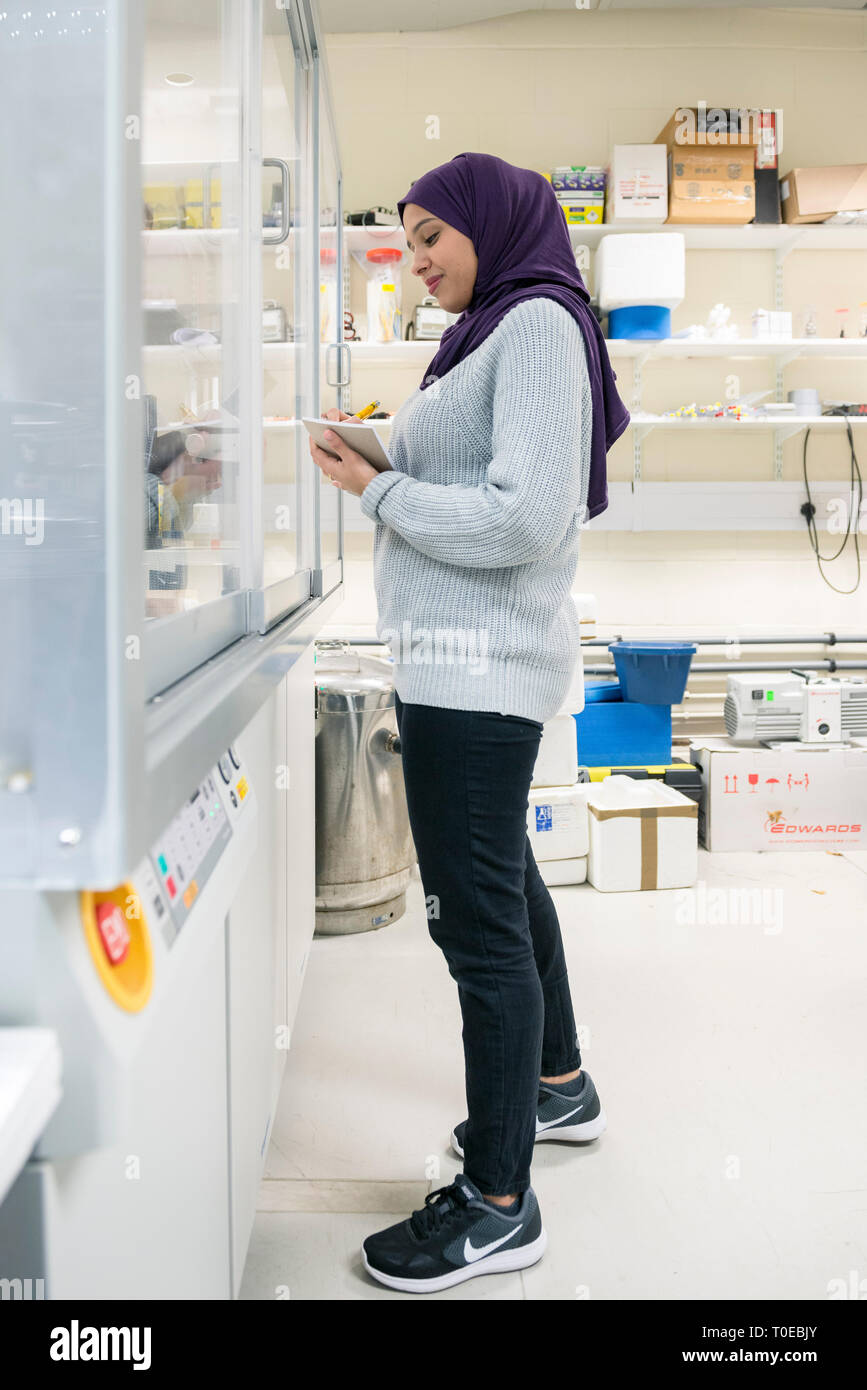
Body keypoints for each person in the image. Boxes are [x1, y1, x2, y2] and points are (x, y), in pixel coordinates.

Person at [308, 152, 629, 1294]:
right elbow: (480, 469)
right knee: (505, 886)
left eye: (431, 233)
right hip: (462, 667)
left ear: (493, 225)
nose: (416, 258)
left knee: (474, 923)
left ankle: (499, 1202)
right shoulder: (492, 329)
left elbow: (523, 519)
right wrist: (377, 450)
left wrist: (374, 489)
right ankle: (558, 1088)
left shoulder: (538, 323)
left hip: (478, 674)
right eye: (402, 239)